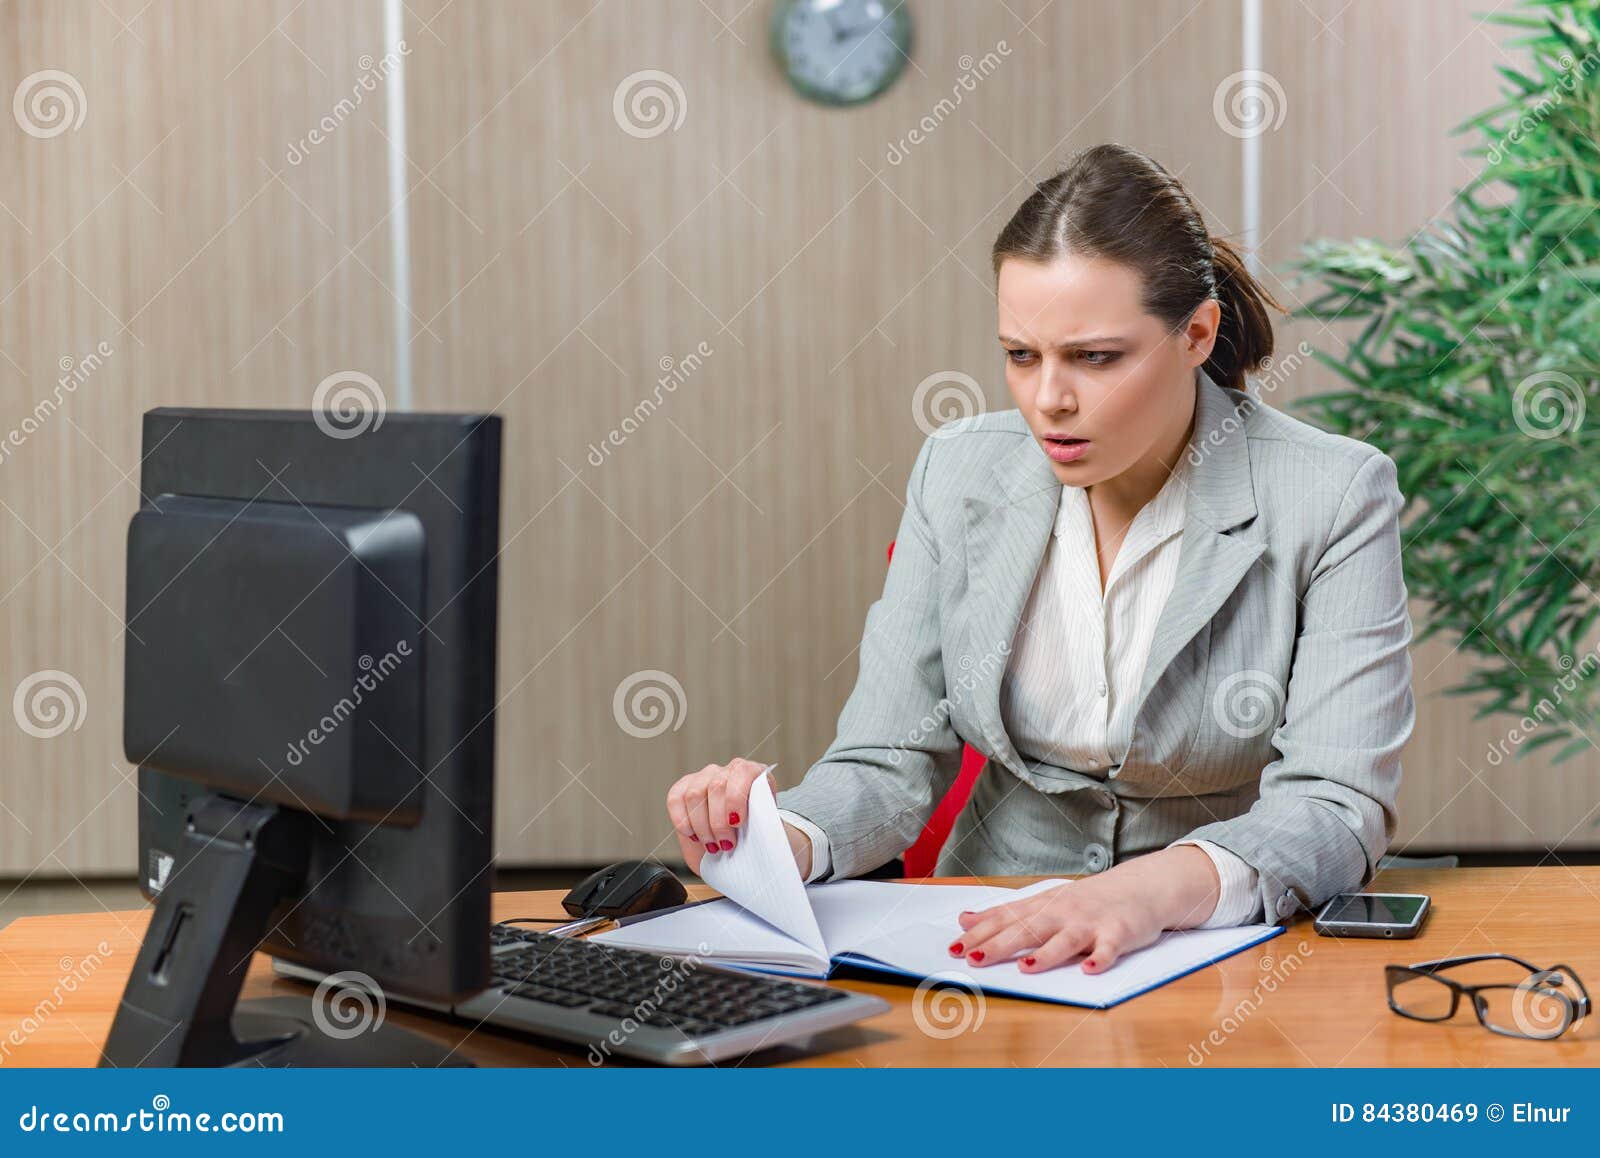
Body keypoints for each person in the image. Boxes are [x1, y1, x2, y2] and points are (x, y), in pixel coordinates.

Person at [664, 142, 1415, 975]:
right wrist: (776, 840)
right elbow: (887, 759)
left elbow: (1337, 803)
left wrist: (1145, 892)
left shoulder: (1333, 493)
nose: (1049, 399)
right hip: (982, 938)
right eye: (1022, 355)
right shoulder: (958, 470)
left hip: (1219, 941)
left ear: (1197, 333)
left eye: (1096, 358)